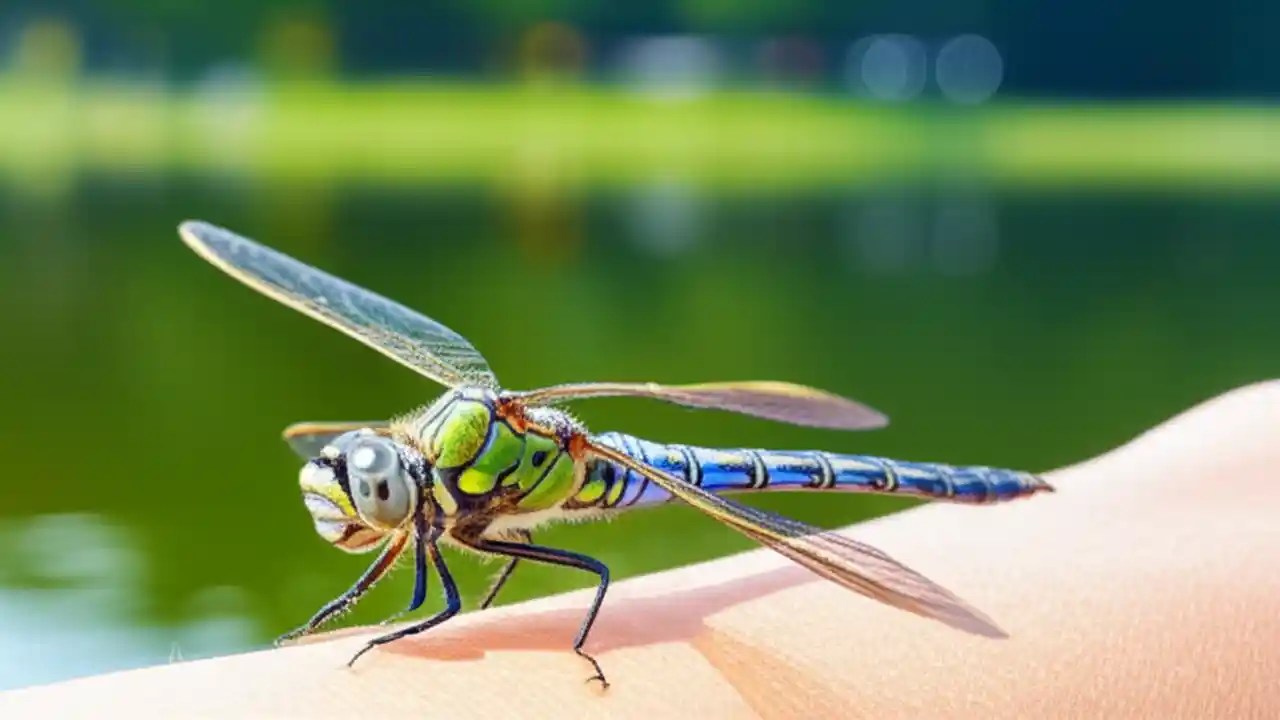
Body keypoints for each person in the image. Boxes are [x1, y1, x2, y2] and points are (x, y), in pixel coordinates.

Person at [3, 382, 1277, 718]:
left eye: (373, 479)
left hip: (653, 471)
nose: (361, 491)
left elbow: (449, 579)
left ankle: (980, 486)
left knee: (590, 571)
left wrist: (366, 631)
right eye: (363, 478)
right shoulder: (437, 478)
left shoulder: (471, 479)